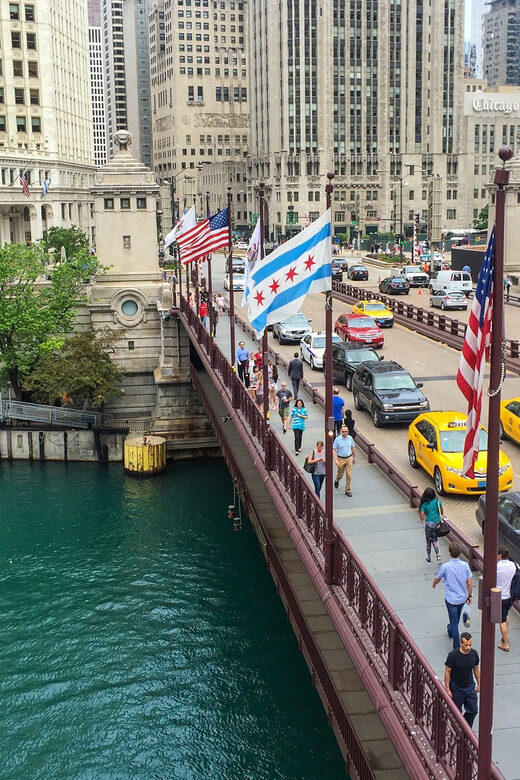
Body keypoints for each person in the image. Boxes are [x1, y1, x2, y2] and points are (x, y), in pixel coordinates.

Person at [432, 543, 472, 650]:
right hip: (462, 598)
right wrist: (470, 595)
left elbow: (438, 578)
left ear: (449, 553)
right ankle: (450, 630)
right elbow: (469, 582)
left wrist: (434, 584)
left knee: (454, 621)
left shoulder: (445, 566)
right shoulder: (465, 565)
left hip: (450, 599)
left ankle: (456, 646)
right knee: (456, 619)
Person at [444, 632, 480, 729]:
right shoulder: (453, 655)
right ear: (461, 643)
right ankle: (458, 729)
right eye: (466, 645)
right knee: (456, 712)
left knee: (473, 710)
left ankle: (466, 728)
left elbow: (476, 669)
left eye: (470, 645)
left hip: (469, 686)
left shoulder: (474, 654)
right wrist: (447, 688)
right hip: (456, 687)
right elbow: (447, 671)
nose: (468, 647)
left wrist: (479, 683)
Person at [497, 544, 516, 652]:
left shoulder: (497, 567)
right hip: (510, 596)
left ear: (500, 555)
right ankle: (506, 636)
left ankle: (505, 643)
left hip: (500, 597)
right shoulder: (513, 565)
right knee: (506, 615)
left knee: (502, 620)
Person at [419, 487, 443, 565]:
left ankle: (428, 559)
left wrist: (425, 513)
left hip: (429, 524)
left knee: (428, 541)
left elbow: (422, 518)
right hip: (437, 524)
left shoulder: (424, 504)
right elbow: (441, 511)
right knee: (435, 540)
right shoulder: (438, 501)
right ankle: (438, 555)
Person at [333, 425, 356, 497]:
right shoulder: (337, 439)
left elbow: (353, 447)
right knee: (340, 474)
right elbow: (334, 450)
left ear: (348, 431)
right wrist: (336, 459)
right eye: (343, 432)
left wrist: (354, 457)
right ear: (340, 431)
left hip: (349, 457)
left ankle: (347, 490)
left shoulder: (350, 438)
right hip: (340, 458)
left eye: (346, 432)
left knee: (349, 475)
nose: (344, 433)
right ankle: (337, 479)